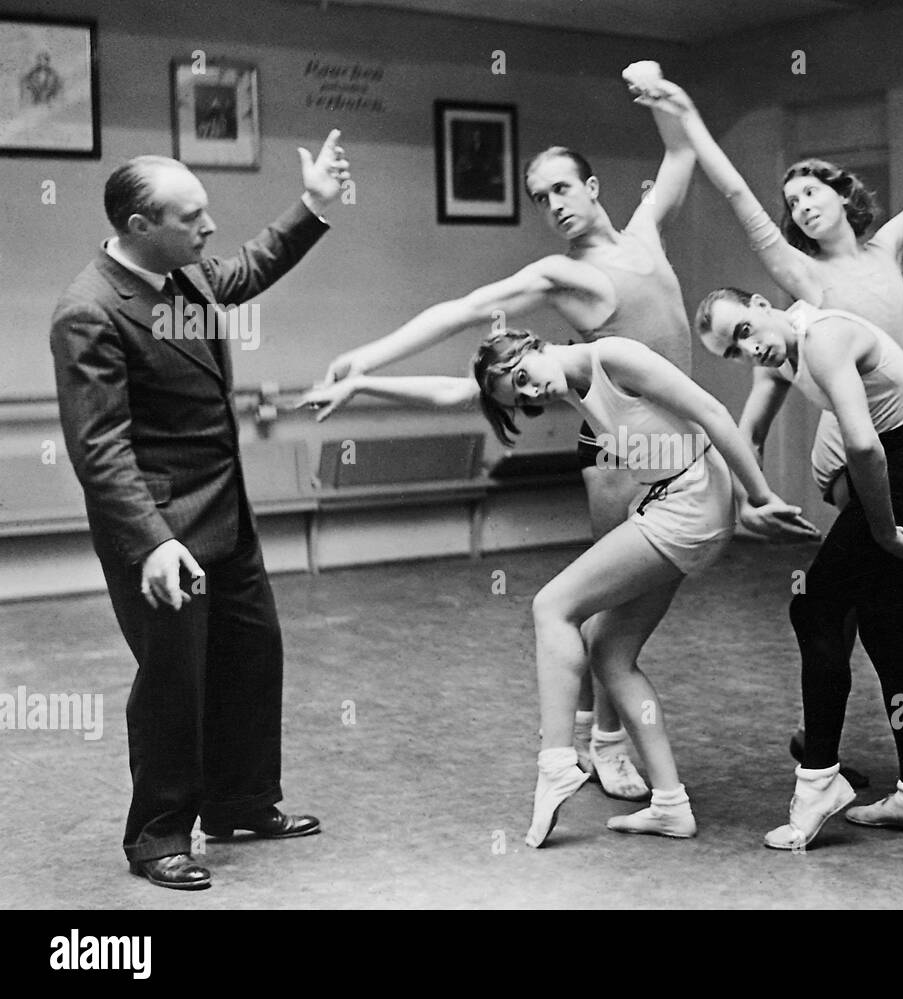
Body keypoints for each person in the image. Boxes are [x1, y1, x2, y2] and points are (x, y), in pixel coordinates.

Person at [316, 78, 698, 802]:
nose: (553, 206)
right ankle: (605, 743)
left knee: (622, 617)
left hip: (681, 454)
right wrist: (367, 360)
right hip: (623, 455)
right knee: (612, 614)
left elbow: (681, 147)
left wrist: (655, 91)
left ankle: (593, 726)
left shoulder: (646, 233)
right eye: (539, 197)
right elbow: (463, 310)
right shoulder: (564, 276)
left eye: (561, 188)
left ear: (592, 187)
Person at [632, 46, 903, 786]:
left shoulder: (887, 247)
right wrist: (745, 498)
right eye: (792, 200)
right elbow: (737, 197)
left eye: (810, 193)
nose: (800, 206)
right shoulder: (801, 285)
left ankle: (892, 758)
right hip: (858, 460)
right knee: (873, 605)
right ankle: (887, 763)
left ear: (840, 194)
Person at [300, 330, 818, 846]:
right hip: (675, 500)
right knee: (610, 651)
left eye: (523, 378)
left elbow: (712, 412)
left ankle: (555, 762)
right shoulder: (566, 382)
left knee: (552, 605)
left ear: (533, 345)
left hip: (690, 503)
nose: (531, 394)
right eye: (520, 397)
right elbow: (455, 392)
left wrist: (760, 496)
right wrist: (363, 386)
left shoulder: (613, 357)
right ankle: (670, 805)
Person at [49, 132, 350, 890]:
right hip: (159, 531)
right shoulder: (89, 311)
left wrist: (314, 205)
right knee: (173, 682)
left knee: (252, 657)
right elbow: (100, 447)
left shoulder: (186, 279)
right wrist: (150, 540)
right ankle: (157, 835)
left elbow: (250, 265)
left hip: (224, 515)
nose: (209, 227)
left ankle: (240, 802)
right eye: (192, 217)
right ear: (140, 226)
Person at [695, 290, 903, 848]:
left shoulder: (823, 337)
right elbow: (747, 435)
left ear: (763, 304)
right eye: (732, 353)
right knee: (884, 626)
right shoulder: (783, 353)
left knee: (814, 609)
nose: (748, 350)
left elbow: (863, 446)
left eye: (742, 331)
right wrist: (747, 498)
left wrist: (881, 527)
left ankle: (818, 783)